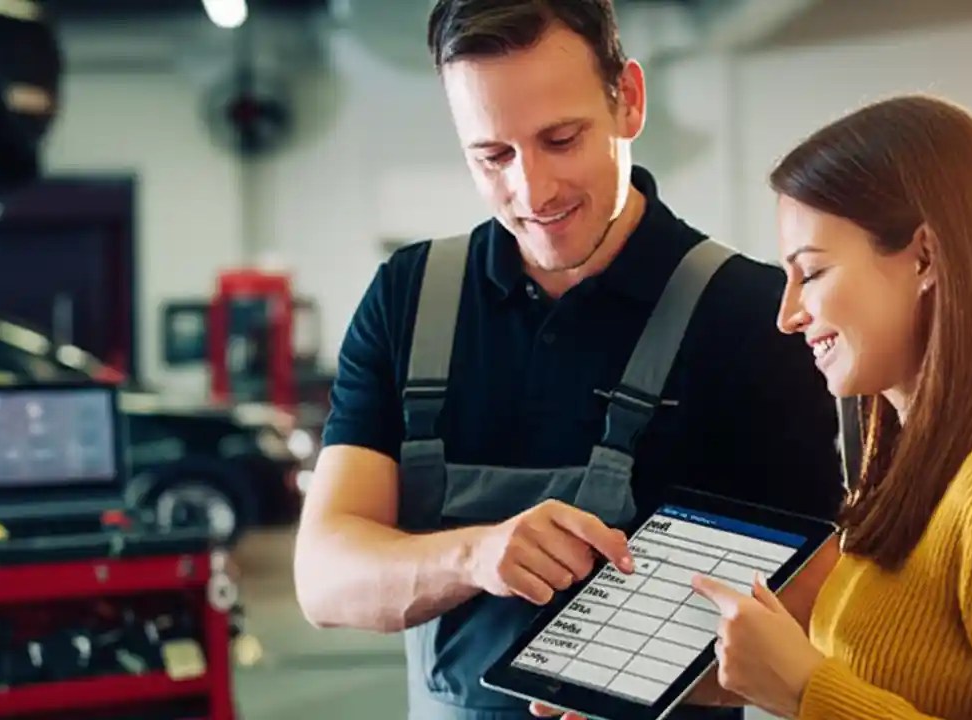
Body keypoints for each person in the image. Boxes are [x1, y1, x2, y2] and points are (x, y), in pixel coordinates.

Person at [291, 1, 846, 719]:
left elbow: (812, 610)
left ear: (630, 102)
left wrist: (627, 677)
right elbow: (324, 578)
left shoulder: (749, 315)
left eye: (561, 139)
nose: (533, 190)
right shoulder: (407, 298)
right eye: (493, 156)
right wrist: (476, 556)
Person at [673, 95, 972, 719]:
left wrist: (806, 690)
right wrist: (717, 679)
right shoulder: (924, 458)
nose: (788, 316)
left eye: (812, 274)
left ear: (924, 257)